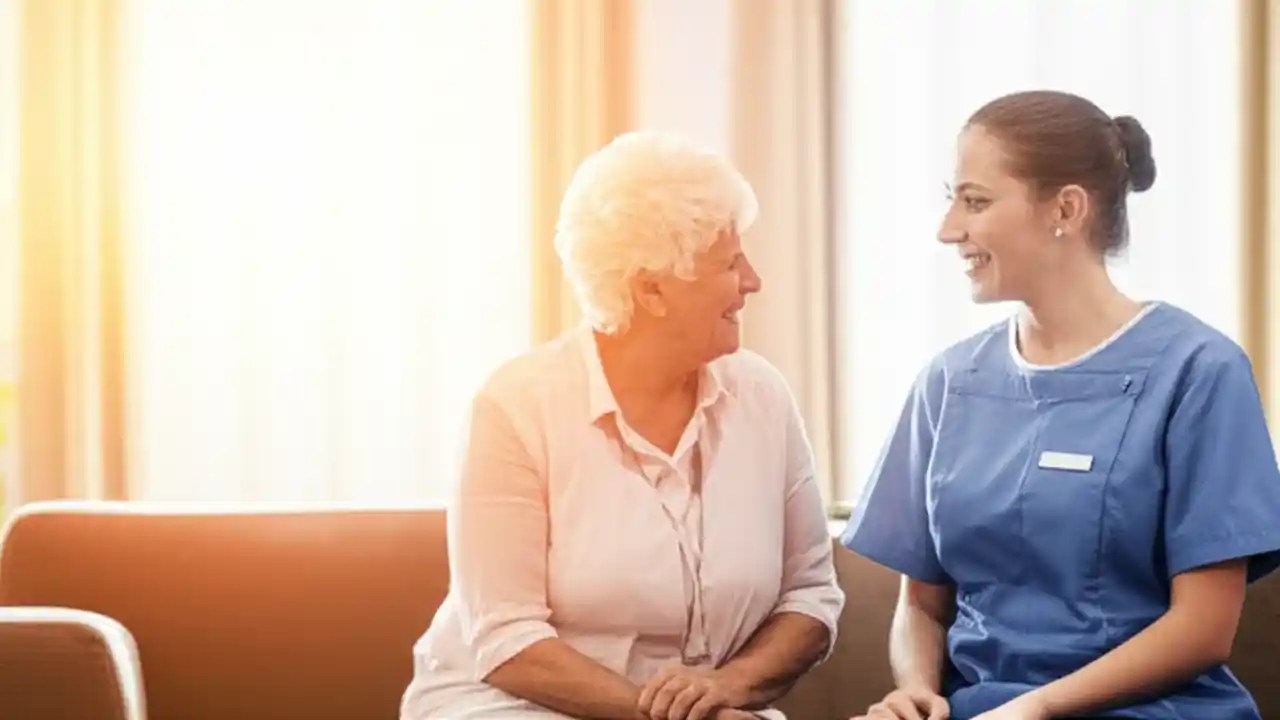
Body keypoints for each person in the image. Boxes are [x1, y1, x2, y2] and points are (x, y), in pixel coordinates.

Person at [842, 90, 1280, 720]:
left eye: (975, 201)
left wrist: (1036, 710)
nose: (948, 229)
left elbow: (1204, 628)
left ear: (1066, 209)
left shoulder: (1198, 372)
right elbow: (921, 604)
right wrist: (916, 690)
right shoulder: (949, 382)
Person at [400, 131, 844, 720]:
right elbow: (507, 642)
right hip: (511, 705)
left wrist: (730, 687)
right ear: (652, 289)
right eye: (728, 263)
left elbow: (811, 597)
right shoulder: (516, 405)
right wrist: (674, 716)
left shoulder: (762, 396)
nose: (753, 281)